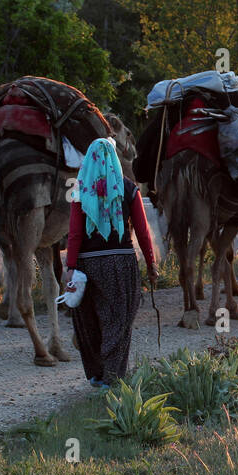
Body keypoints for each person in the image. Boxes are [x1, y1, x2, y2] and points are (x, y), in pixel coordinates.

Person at [64, 137, 156, 387]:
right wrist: (151, 263)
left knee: (88, 320)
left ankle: (96, 373)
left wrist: (70, 267)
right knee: (118, 320)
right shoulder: (128, 189)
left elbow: (74, 234)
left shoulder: (80, 191)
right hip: (121, 263)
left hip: (86, 265)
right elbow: (142, 230)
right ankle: (112, 377)